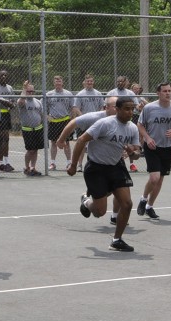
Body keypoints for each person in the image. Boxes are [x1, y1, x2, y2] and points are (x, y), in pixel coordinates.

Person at [67, 97, 141, 252]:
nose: (130, 112)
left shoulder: (132, 128)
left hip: (116, 166)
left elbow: (136, 154)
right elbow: (81, 140)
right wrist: (73, 165)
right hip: (96, 169)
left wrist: (132, 152)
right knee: (99, 212)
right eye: (127, 109)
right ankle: (86, 202)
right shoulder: (105, 124)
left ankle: (117, 240)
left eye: (132, 109)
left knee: (127, 204)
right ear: (118, 109)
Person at [57, 95, 123, 224]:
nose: (118, 109)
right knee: (100, 209)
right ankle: (87, 201)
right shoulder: (95, 117)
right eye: (115, 107)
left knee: (121, 192)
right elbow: (73, 123)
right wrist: (61, 139)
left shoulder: (123, 119)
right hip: (97, 161)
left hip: (116, 161)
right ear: (106, 107)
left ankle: (115, 216)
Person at [137, 82, 171, 220]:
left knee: (159, 181)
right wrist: (147, 138)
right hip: (152, 147)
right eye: (165, 91)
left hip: (168, 148)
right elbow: (140, 124)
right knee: (154, 178)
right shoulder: (149, 108)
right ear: (158, 93)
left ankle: (149, 206)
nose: (168, 93)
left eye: (169, 91)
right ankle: (143, 199)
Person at [46, 75, 75, 171]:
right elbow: (43, 107)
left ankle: (69, 163)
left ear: (62, 83)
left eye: (59, 81)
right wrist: (47, 116)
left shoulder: (68, 93)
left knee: (66, 142)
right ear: (53, 83)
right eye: (56, 81)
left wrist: (72, 120)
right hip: (54, 121)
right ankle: (53, 163)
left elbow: (73, 108)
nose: (58, 83)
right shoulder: (49, 94)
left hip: (65, 121)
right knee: (53, 142)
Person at [16, 82, 45, 176]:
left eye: (32, 91)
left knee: (35, 149)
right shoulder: (22, 101)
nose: (31, 93)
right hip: (28, 130)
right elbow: (20, 102)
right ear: (25, 91)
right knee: (30, 150)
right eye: (29, 91)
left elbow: (41, 114)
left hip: (38, 128)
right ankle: (27, 167)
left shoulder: (38, 102)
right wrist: (24, 88)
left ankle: (33, 167)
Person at [0, 70, 16, 172]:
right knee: (0, 139)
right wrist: (4, 102)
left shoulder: (9, 88)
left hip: (6, 114)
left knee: (6, 138)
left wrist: (10, 105)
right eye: (2, 75)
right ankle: (0, 162)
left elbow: (13, 102)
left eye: (5, 75)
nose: (4, 77)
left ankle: (7, 162)